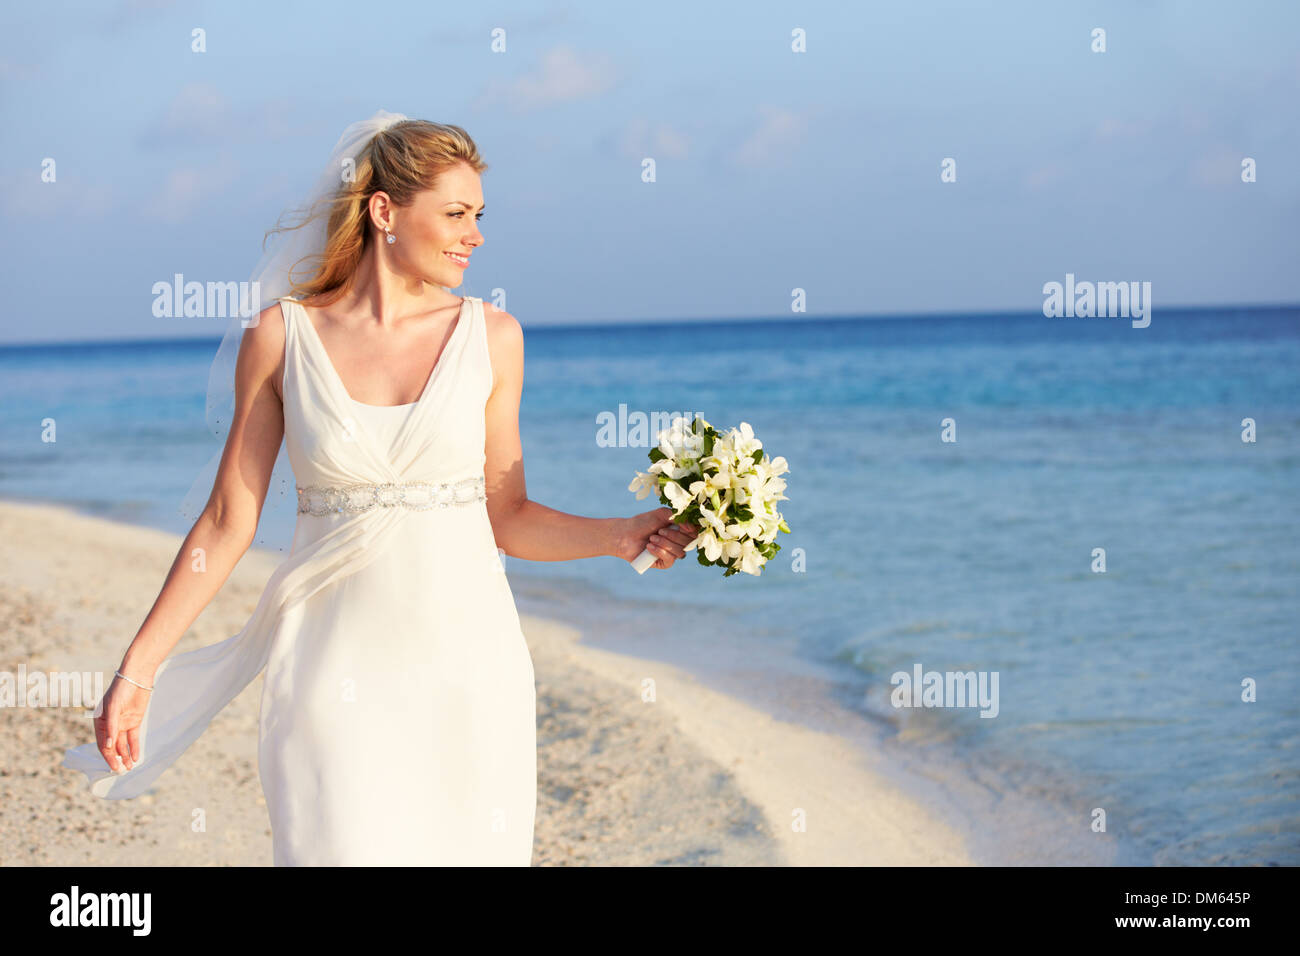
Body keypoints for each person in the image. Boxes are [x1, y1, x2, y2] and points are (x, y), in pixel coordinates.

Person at [62, 112, 697, 865]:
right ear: (385, 211)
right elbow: (228, 521)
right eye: (456, 214)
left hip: (470, 672)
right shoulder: (281, 337)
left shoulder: (493, 338)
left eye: (479, 216)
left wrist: (619, 536)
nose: (476, 235)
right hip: (329, 675)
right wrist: (139, 670)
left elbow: (509, 516)